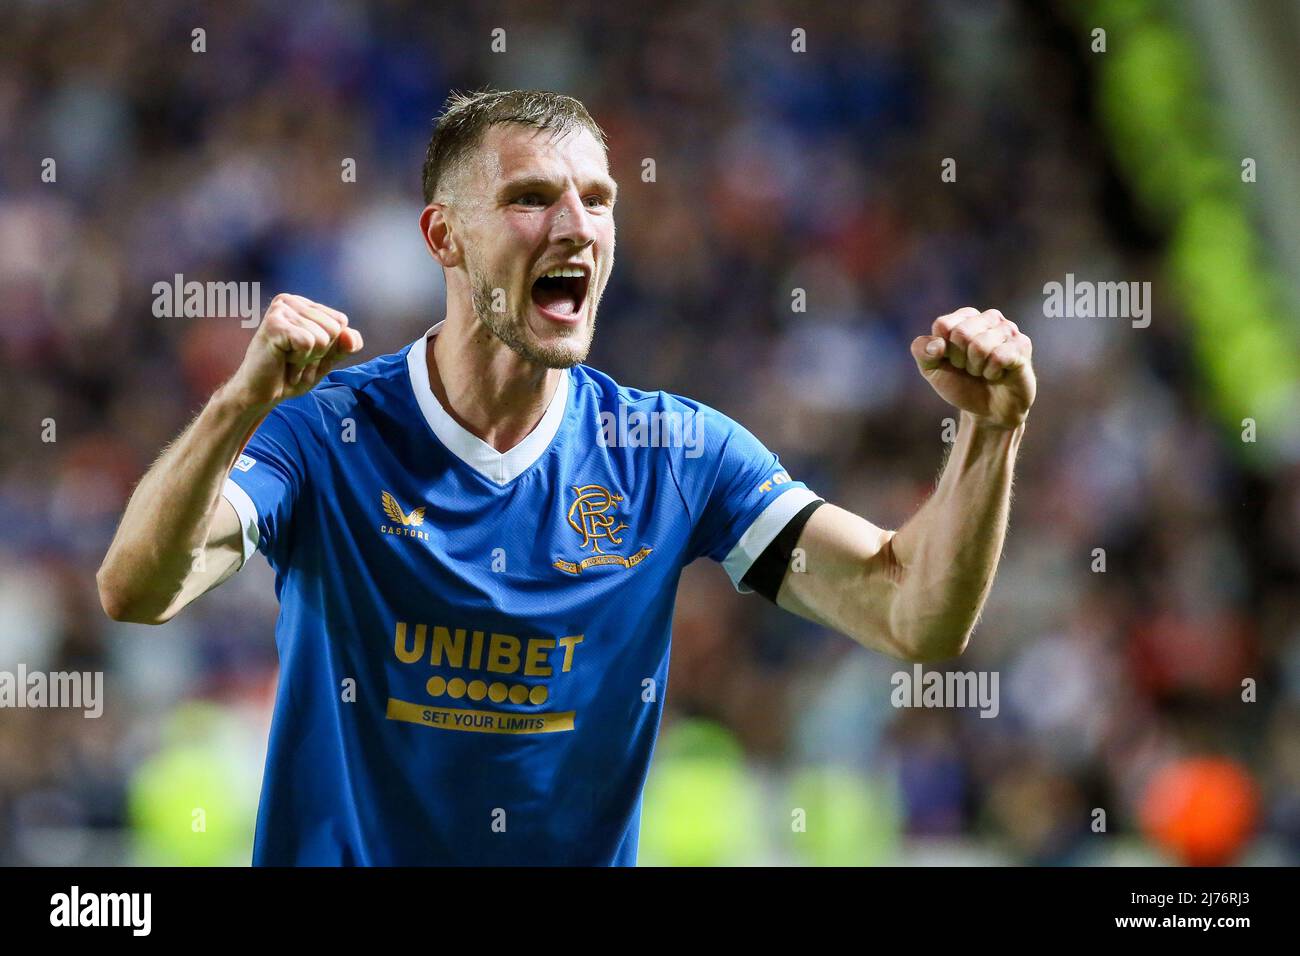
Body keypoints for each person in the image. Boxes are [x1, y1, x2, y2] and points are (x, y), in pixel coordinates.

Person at [96, 89, 1035, 865]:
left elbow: (913, 613)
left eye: (600, 198)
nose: (577, 227)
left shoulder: (676, 454)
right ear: (444, 236)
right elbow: (137, 587)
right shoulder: (325, 435)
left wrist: (990, 434)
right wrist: (237, 405)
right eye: (533, 197)